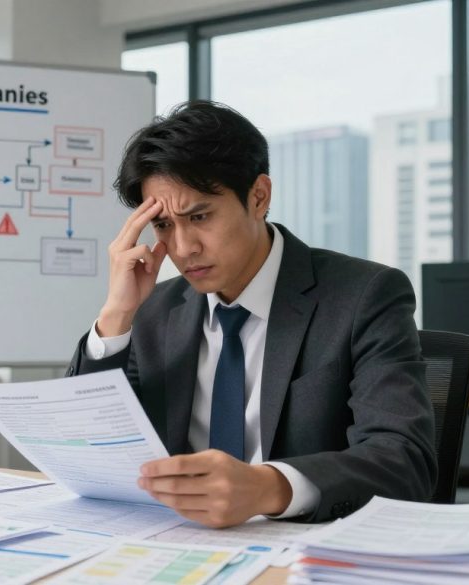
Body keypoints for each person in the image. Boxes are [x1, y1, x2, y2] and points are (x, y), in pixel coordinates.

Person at [66, 100, 436, 528]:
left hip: (303, 543)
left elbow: (404, 459)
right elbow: (87, 451)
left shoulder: (364, 296)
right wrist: (116, 315)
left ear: (258, 197)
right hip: (177, 542)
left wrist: (267, 488)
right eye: (164, 225)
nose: (183, 248)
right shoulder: (153, 309)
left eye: (199, 216)